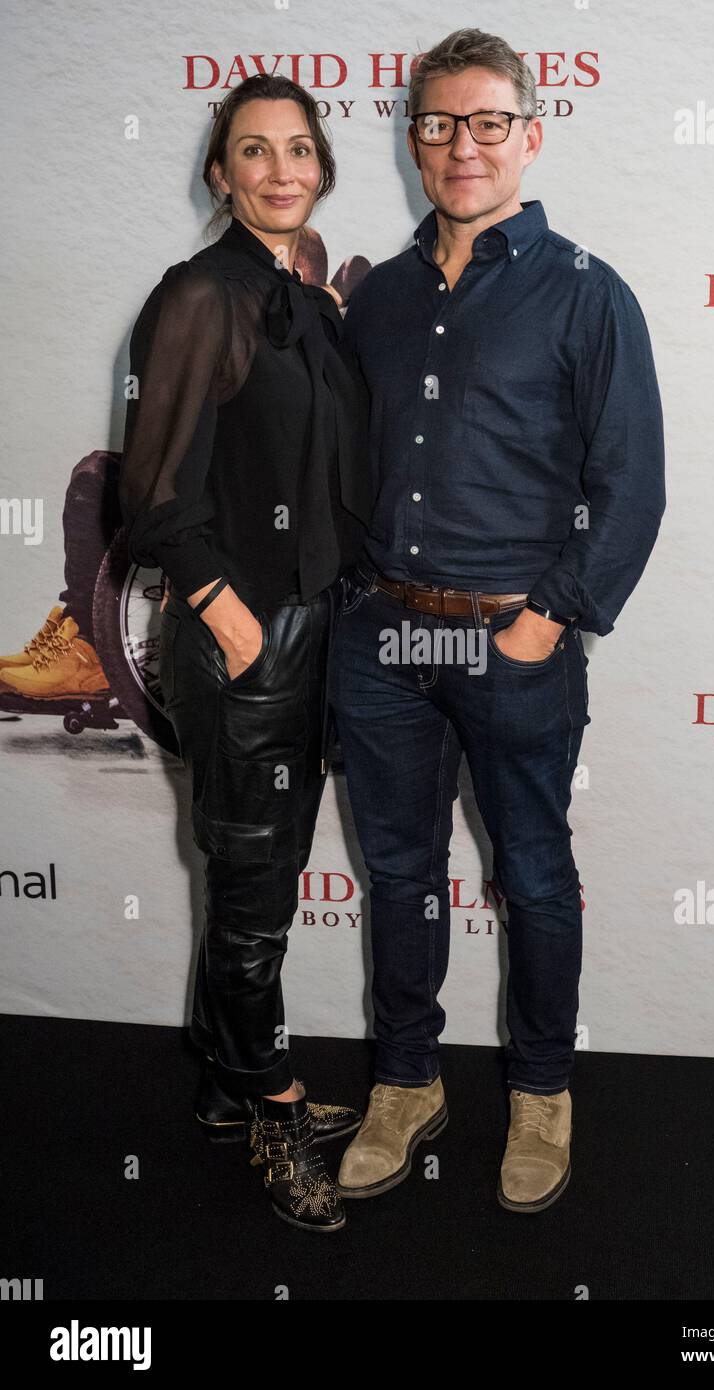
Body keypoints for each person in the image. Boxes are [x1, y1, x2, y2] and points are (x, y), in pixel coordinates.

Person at [329, 28, 666, 1213]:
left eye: (484, 123)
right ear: (411, 139)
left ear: (528, 134)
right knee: (400, 871)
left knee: (531, 876)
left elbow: (630, 486)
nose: (459, 146)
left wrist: (547, 620)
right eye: (436, 123)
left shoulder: (585, 292)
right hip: (381, 641)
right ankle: (405, 1080)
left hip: (509, 642)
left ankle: (539, 1094)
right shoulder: (373, 297)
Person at [118, 73, 372, 1233]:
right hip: (241, 643)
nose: (280, 170)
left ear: (320, 167)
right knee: (254, 899)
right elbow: (151, 490)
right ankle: (272, 1103)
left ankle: (225, 1092)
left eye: (298, 150)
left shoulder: (305, 304)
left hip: (309, 634)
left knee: (254, 882)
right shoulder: (199, 295)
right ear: (219, 176)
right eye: (252, 152)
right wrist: (227, 611)